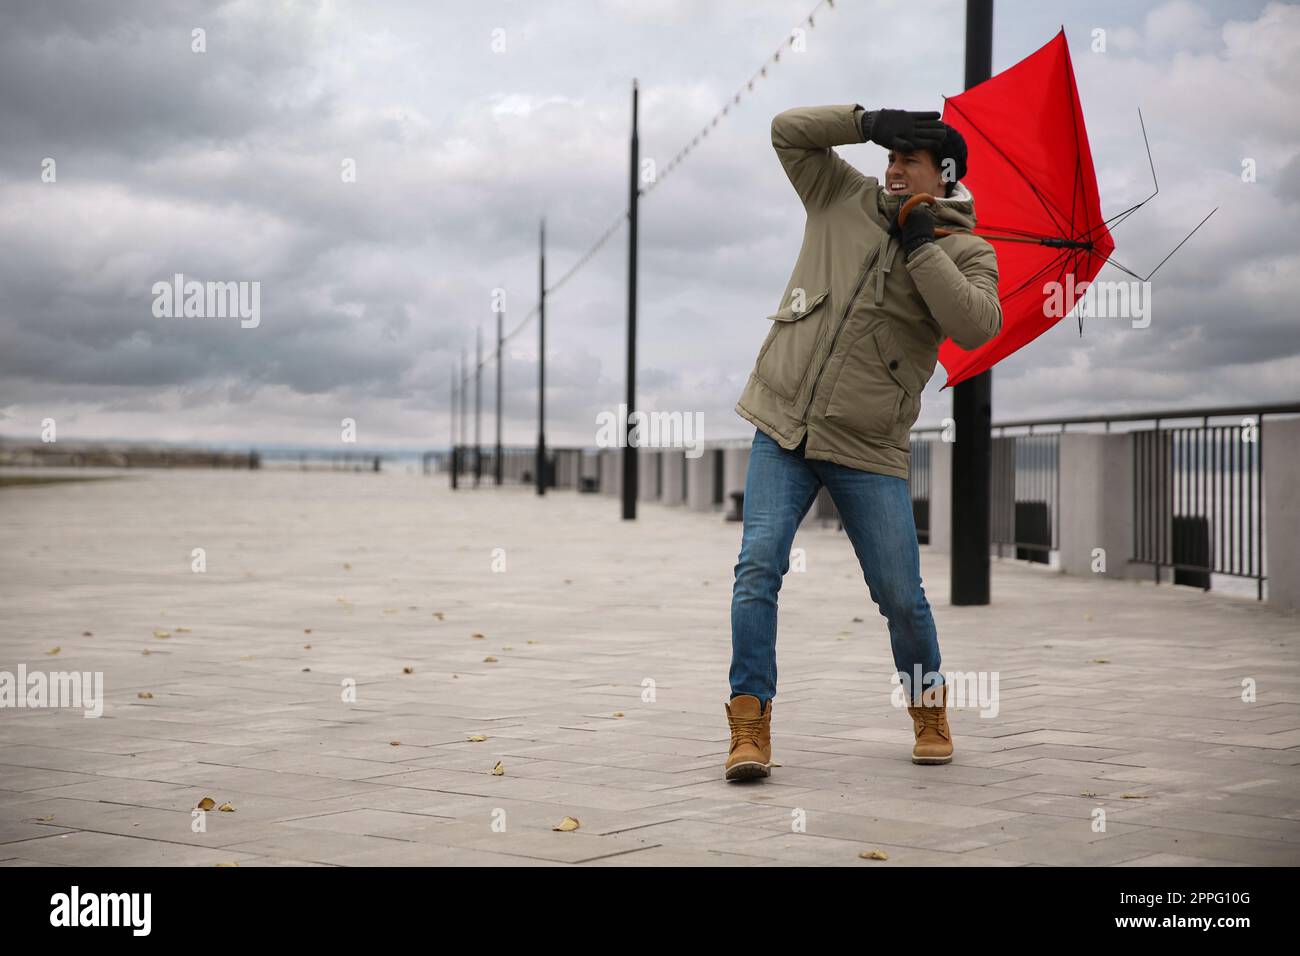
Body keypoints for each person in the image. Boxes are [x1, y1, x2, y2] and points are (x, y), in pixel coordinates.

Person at [725, 105, 1003, 780]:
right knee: (758, 569)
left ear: (946, 175)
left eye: (909, 161)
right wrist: (864, 120)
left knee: (899, 595)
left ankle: (927, 706)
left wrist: (921, 244)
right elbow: (785, 130)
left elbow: (975, 326)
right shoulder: (839, 194)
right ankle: (749, 726)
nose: (894, 169)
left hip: (868, 446)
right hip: (783, 421)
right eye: (891, 156)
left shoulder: (970, 251)